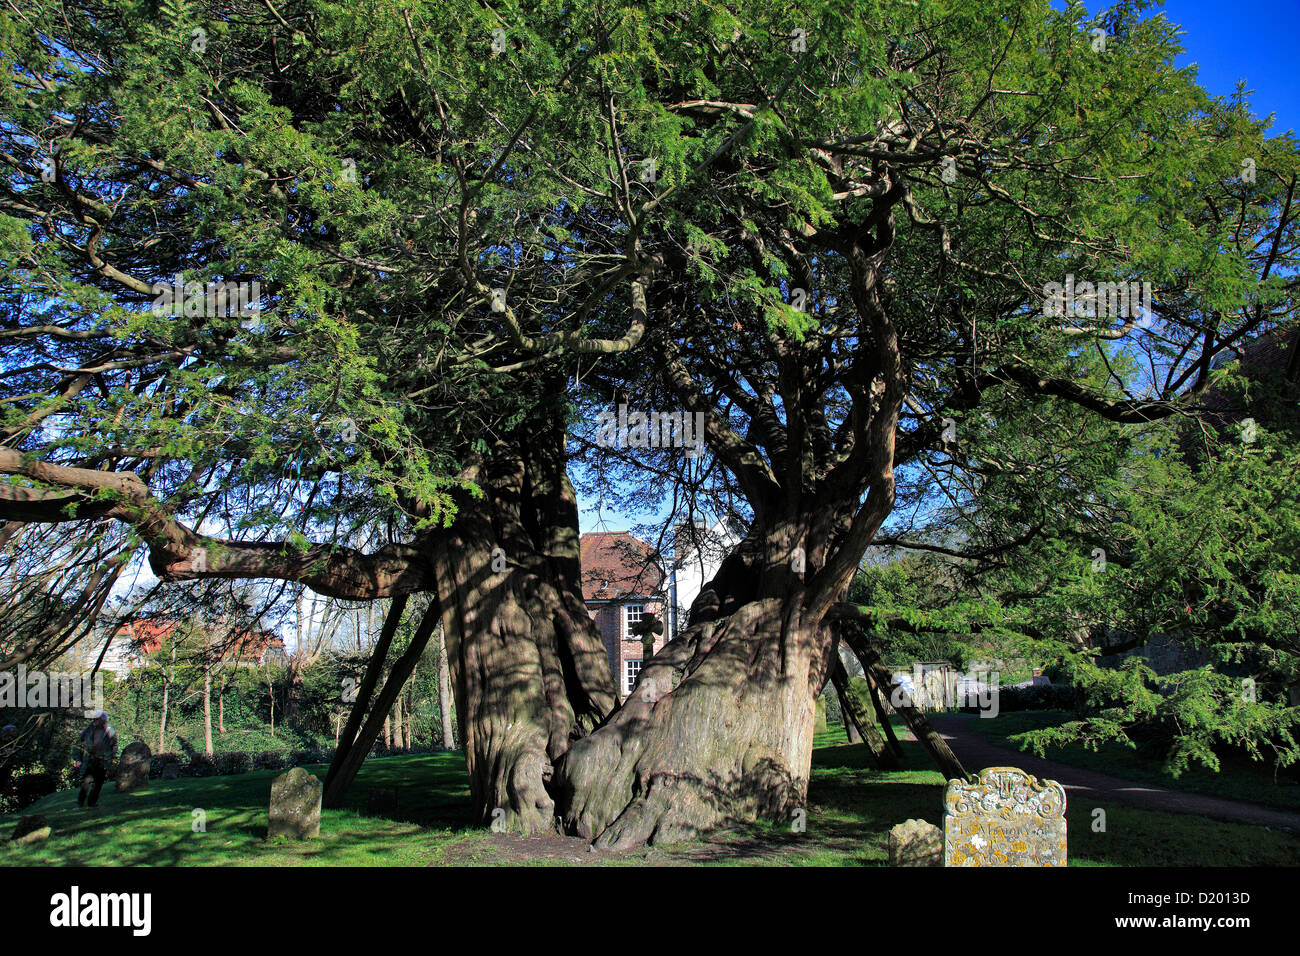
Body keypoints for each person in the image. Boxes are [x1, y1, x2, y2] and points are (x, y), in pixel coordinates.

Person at [75, 711, 117, 809]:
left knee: (98, 783)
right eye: (101, 720)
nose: (103, 722)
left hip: (103, 761)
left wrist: (110, 757)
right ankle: (80, 802)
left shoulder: (109, 729)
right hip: (90, 760)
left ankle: (92, 802)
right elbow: (78, 744)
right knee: (86, 782)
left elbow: (114, 745)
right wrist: (78, 759)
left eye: (104, 721)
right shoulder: (88, 730)